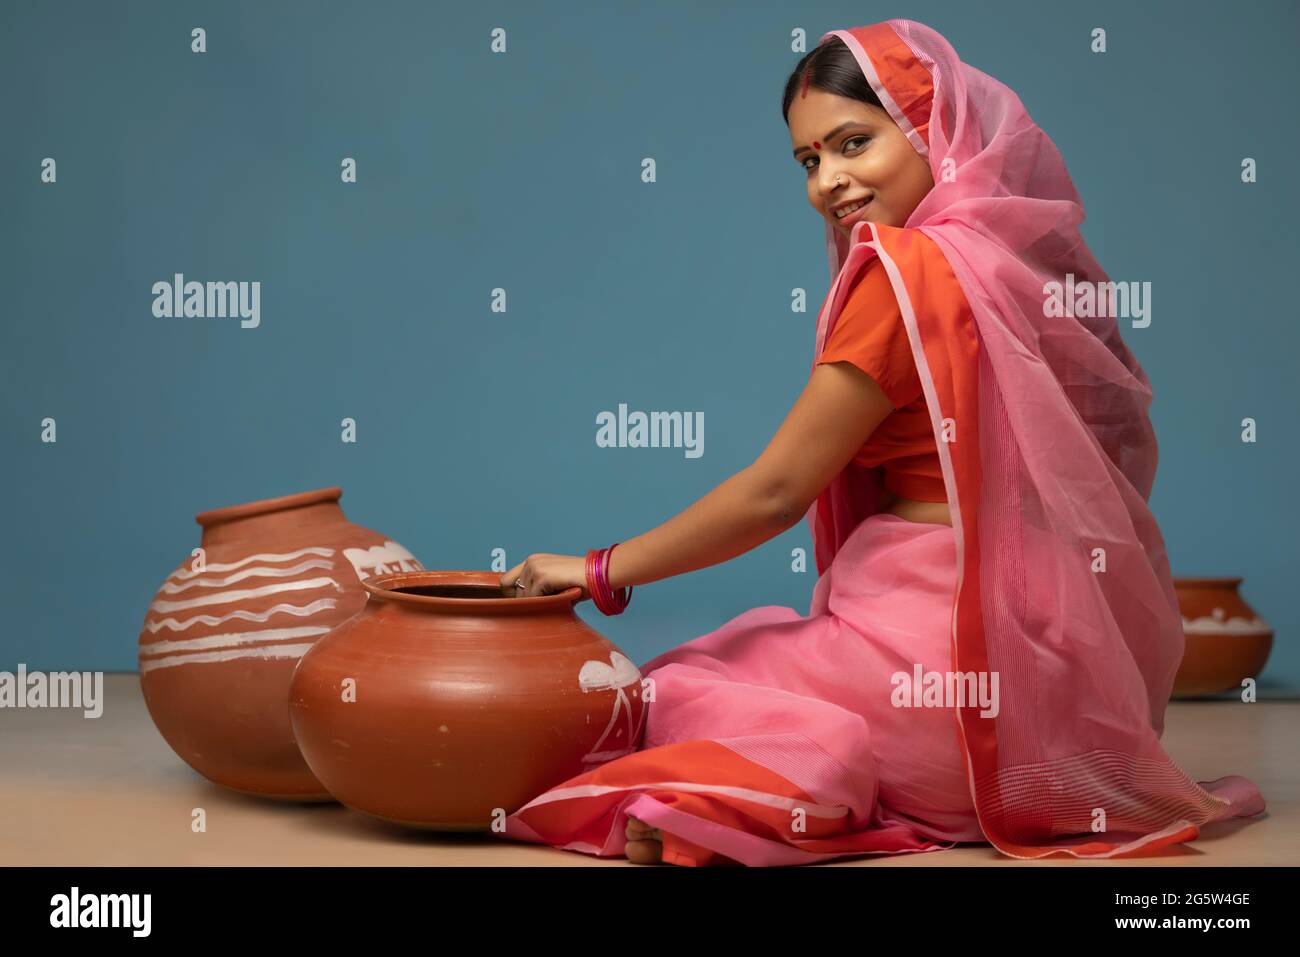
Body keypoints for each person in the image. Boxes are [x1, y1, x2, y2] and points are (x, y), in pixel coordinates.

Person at [496, 19, 1266, 866]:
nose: (828, 180)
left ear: (933, 129)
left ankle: (770, 798)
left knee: (668, 687)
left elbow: (775, 494)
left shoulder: (903, 276)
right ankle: (804, 791)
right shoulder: (1023, 269)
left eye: (853, 142)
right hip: (1052, 714)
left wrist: (600, 568)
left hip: (932, 693)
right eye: (807, 160)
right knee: (762, 643)